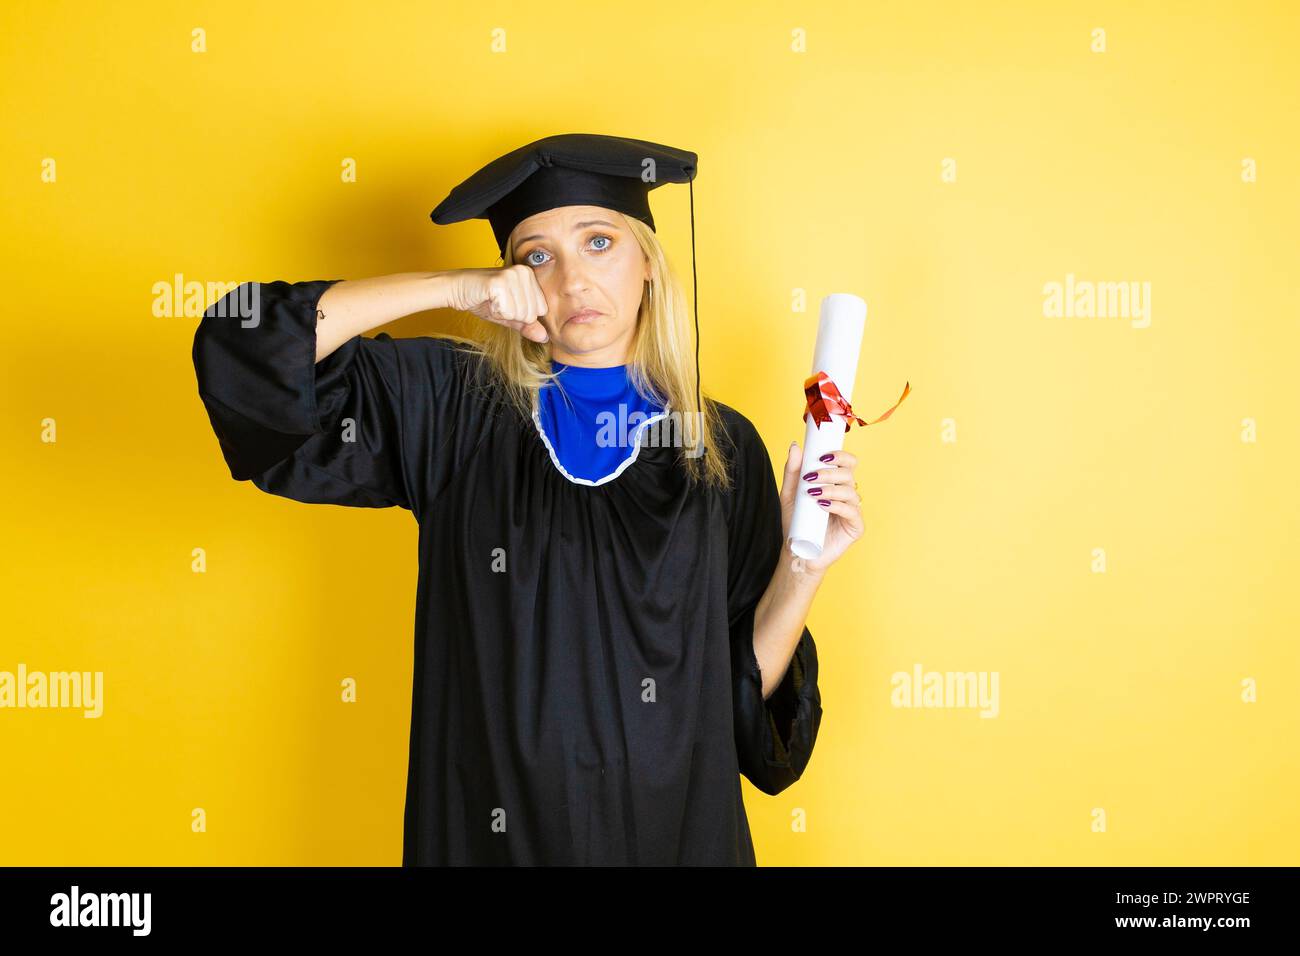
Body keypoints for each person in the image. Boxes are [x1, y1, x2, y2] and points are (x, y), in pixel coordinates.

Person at [191, 133, 864, 865]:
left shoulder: (716, 448)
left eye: (599, 241)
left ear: (647, 263)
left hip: (676, 842)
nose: (572, 280)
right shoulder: (454, 407)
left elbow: (737, 702)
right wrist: (453, 289)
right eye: (537, 255)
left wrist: (805, 571)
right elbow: (247, 349)